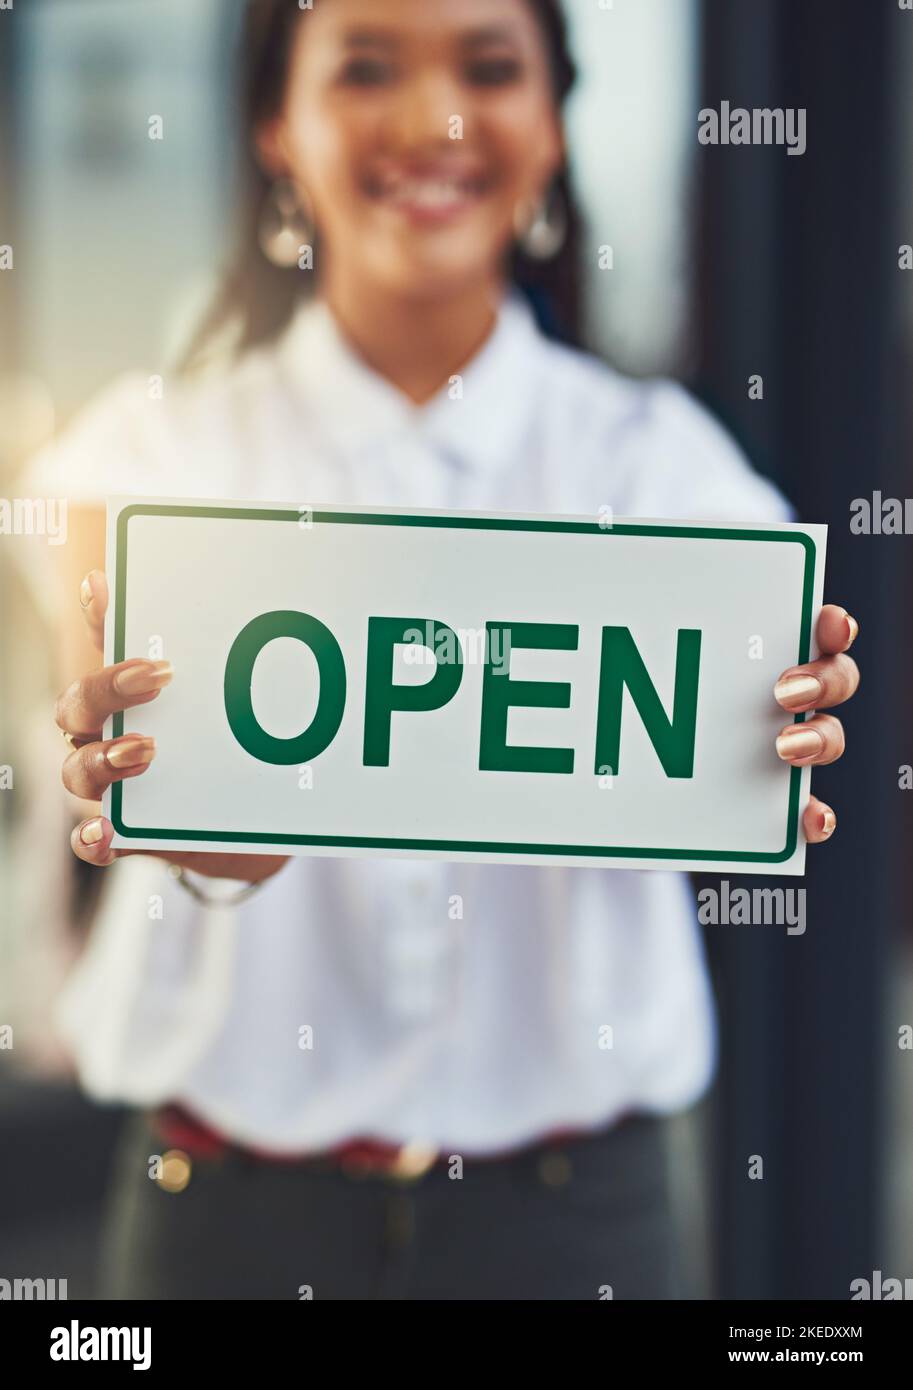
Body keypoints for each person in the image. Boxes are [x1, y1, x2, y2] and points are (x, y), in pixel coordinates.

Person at [32, 0, 859, 1299]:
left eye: (489, 67)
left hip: (577, 1222)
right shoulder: (139, 469)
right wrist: (196, 838)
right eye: (366, 66)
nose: (434, 119)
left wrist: (774, 746)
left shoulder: (668, 476)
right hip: (225, 1222)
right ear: (274, 123)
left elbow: (734, 780)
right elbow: (128, 787)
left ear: (549, 126)